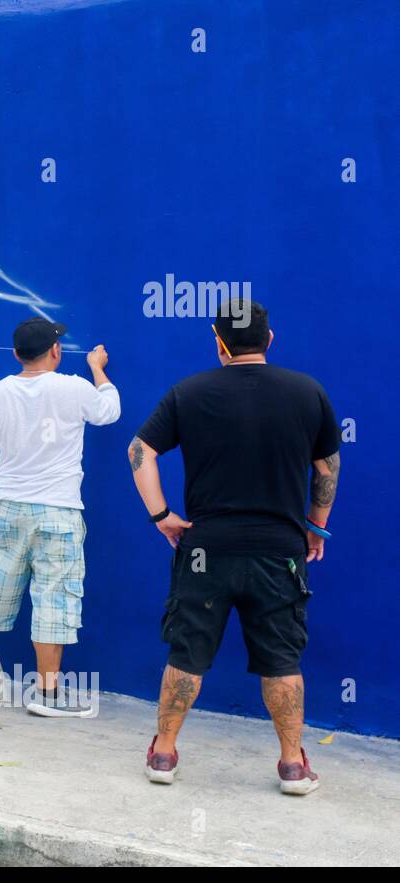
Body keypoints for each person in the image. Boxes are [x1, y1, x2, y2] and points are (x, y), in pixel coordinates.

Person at [128, 298, 340, 795]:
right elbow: (327, 466)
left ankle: (163, 753)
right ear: (269, 340)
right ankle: (292, 766)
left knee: (187, 655)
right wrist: (316, 525)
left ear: (218, 342)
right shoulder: (308, 393)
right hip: (279, 551)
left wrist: (161, 516)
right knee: (282, 661)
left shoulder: (189, 391)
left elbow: (139, 450)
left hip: (206, 550)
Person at [0, 318, 120, 716]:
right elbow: (109, 411)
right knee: (54, 598)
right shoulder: (74, 388)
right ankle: (48, 694)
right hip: (58, 511)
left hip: (8, 507)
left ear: (16, 354)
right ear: (55, 351)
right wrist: (98, 369)